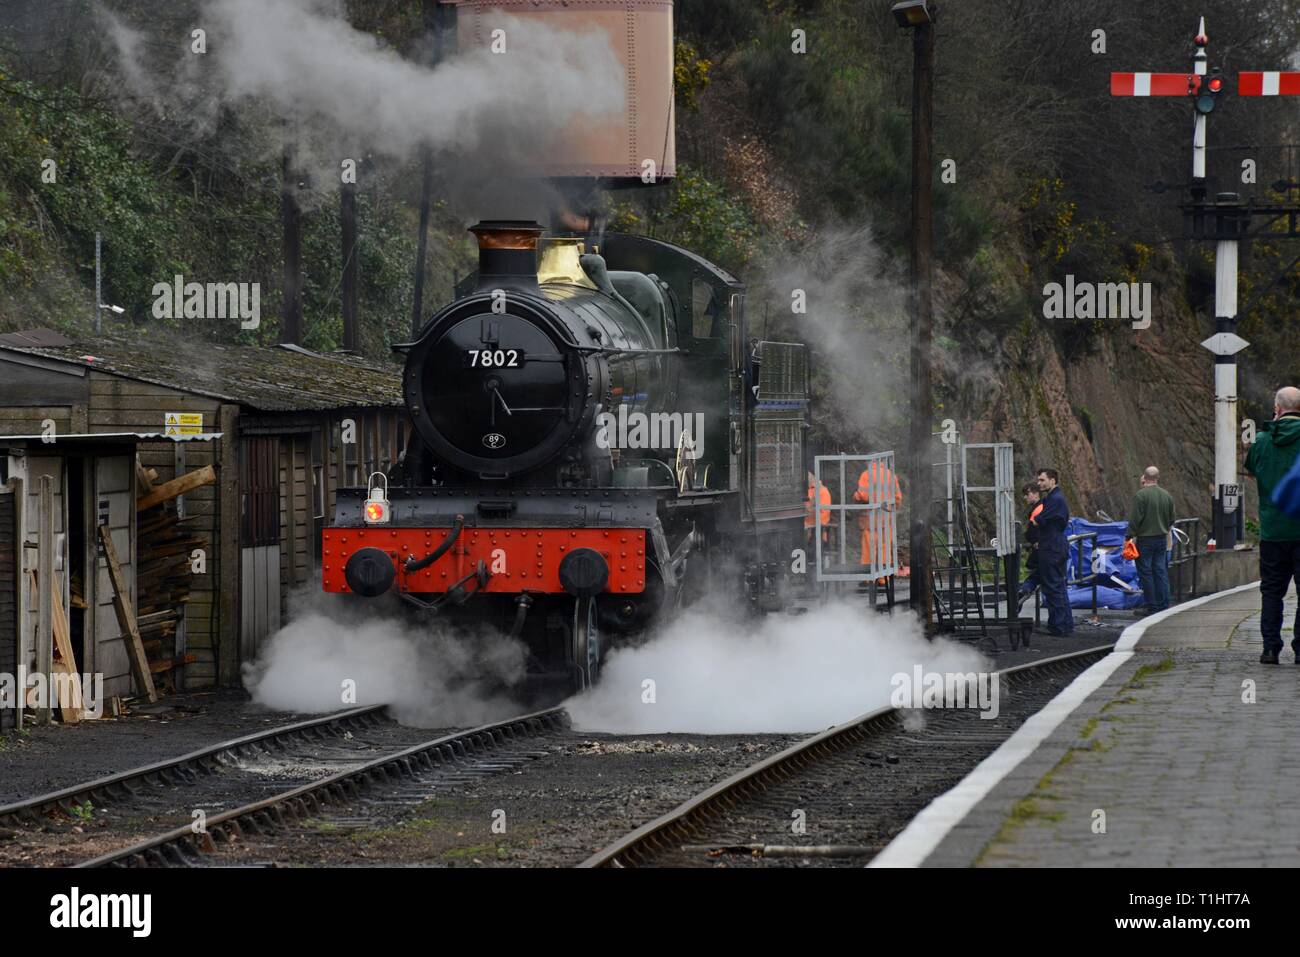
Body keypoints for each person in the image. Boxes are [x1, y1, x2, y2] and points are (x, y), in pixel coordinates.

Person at [1243, 386, 1300, 665]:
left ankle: (1270, 648)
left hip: (1273, 531)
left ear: (1277, 409)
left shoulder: (1262, 441)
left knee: (1272, 592)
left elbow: (1252, 468)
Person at [1124, 466, 1175, 616]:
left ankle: (1151, 605)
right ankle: (1164, 603)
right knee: (1160, 571)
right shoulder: (1167, 496)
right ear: (1157, 478)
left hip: (1145, 539)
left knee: (1146, 573)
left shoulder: (1141, 496)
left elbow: (1135, 519)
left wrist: (1129, 536)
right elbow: (1172, 519)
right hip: (1161, 538)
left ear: (1144, 478)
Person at [1034, 468, 1073, 635]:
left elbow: (1038, 520)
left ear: (1052, 480)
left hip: (1052, 546)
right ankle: (1064, 624)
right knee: (1058, 586)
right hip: (1054, 544)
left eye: (1042, 480)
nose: (1039, 483)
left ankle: (1058, 626)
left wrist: (1037, 518)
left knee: (1053, 586)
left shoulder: (1055, 499)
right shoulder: (1053, 498)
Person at [853, 459, 903, 582]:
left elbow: (863, 495)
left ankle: (868, 579)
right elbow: (898, 498)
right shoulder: (891, 475)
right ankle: (883, 578)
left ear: (869, 462)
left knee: (869, 550)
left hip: (870, 521)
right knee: (885, 549)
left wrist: (856, 496)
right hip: (886, 520)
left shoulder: (866, 474)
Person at [1015, 483, 1044, 614]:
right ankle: (1024, 589)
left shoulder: (1038, 508)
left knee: (1039, 576)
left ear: (1036, 493)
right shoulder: (1039, 507)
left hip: (1041, 549)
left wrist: (1035, 541)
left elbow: (1034, 530)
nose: (1025, 498)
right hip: (1042, 548)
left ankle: (1024, 590)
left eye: (1027, 494)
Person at [805, 471, 833, 543]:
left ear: (813, 476)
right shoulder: (806, 490)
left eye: (806, 475)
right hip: (805, 530)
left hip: (817, 534)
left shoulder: (823, 491)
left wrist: (807, 523)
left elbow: (823, 516)